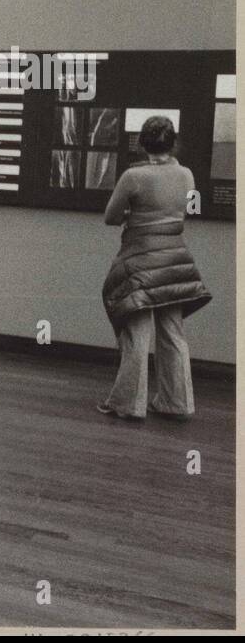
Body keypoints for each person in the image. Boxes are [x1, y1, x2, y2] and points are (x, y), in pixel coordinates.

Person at [98, 115, 211, 420]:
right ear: (173, 143)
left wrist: (133, 216)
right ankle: (177, 403)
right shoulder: (187, 175)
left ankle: (128, 405)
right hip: (174, 258)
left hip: (140, 260)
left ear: (141, 144)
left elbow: (110, 216)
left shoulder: (133, 177)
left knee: (137, 332)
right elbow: (187, 210)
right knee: (173, 332)